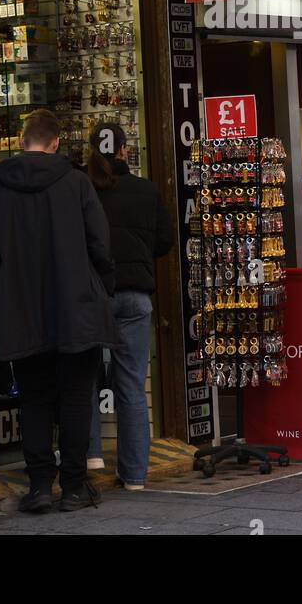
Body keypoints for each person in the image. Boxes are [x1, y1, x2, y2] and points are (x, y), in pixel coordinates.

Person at [0, 108, 115, 514]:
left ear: (22, 141)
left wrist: (2, 299)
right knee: (75, 399)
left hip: (21, 309)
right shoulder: (77, 183)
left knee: (34, 399)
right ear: (56, 143)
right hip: (75, 308)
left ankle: (39, 486)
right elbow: (100, 245)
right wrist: (101, 288)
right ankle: (73, 486)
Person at [85, 123, 175, 490]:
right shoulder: (146, 190)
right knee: (132, 387)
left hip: (94, 294)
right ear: (124, 149)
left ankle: (90, 455)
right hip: (136, 295)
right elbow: (164, 242)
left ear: (92, 151)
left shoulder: (84, 189)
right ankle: (135, 474)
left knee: (84, 377)